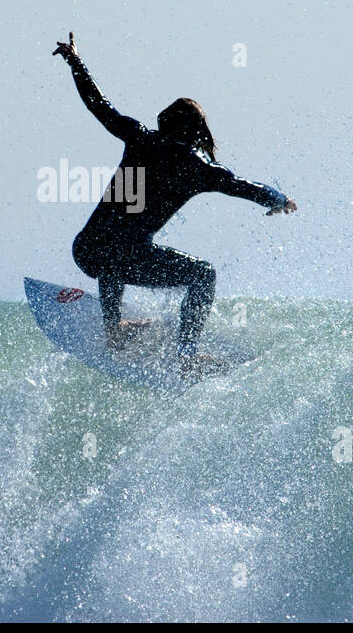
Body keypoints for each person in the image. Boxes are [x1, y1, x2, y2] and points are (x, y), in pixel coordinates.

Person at [52, 32, 296, 376]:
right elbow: (244, 187)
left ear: (165, 123)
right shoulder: (199, 170)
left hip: (87, 250)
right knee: (203, 274)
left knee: (117, 242)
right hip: (127, 258)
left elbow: (98, 105)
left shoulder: (139, 138)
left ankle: (113, 328)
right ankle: (186, 354)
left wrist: (75, 61)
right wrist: (279, 198)